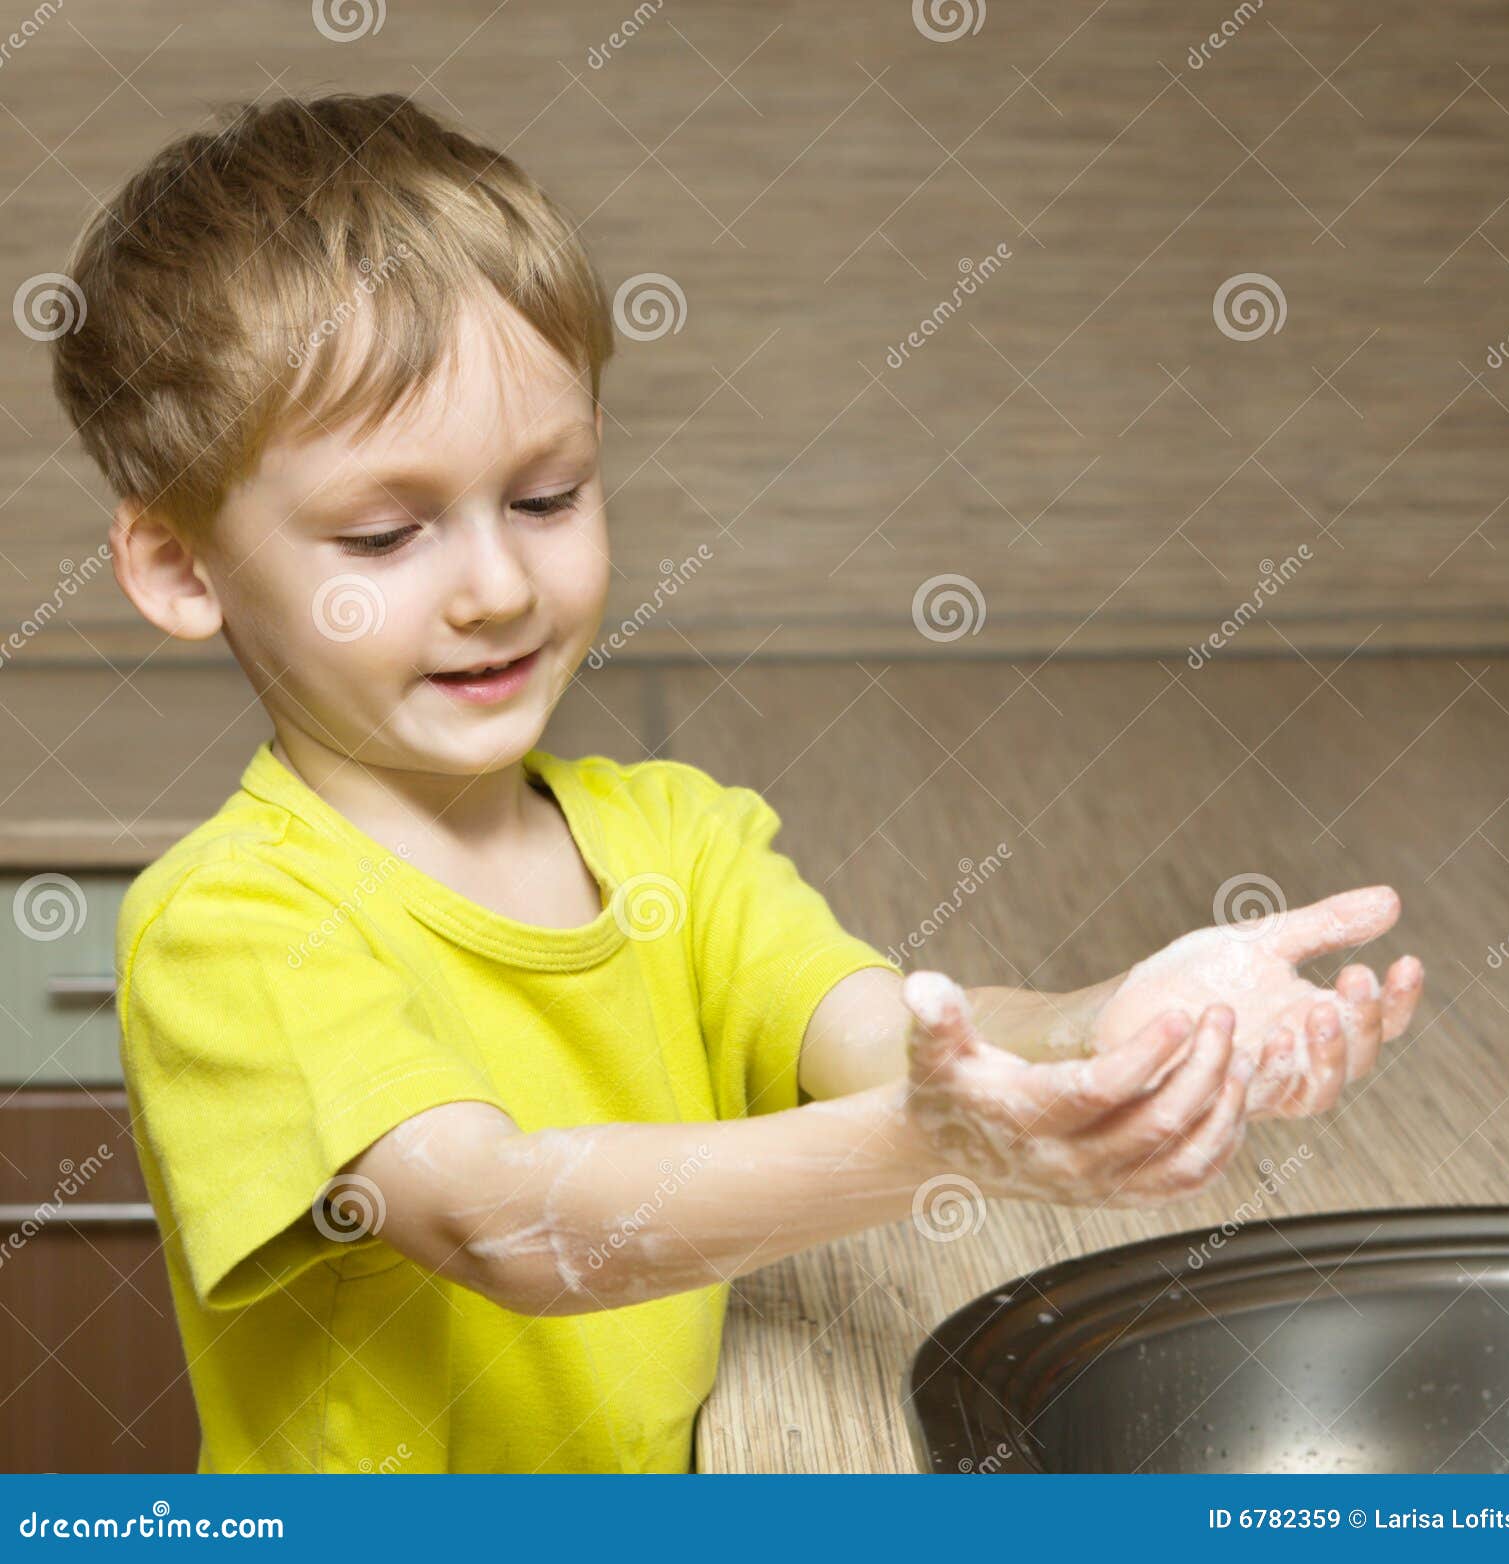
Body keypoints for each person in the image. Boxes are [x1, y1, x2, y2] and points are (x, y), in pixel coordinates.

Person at [49, 92, 1424, 1475]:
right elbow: (504, 1221)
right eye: (386, 533)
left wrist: (1125, 1019)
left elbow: (893, 1040)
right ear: (179, 565)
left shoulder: (677, 842)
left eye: (547, 498)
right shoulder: (233, 929)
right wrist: (927, 1151)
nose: (498, 586)